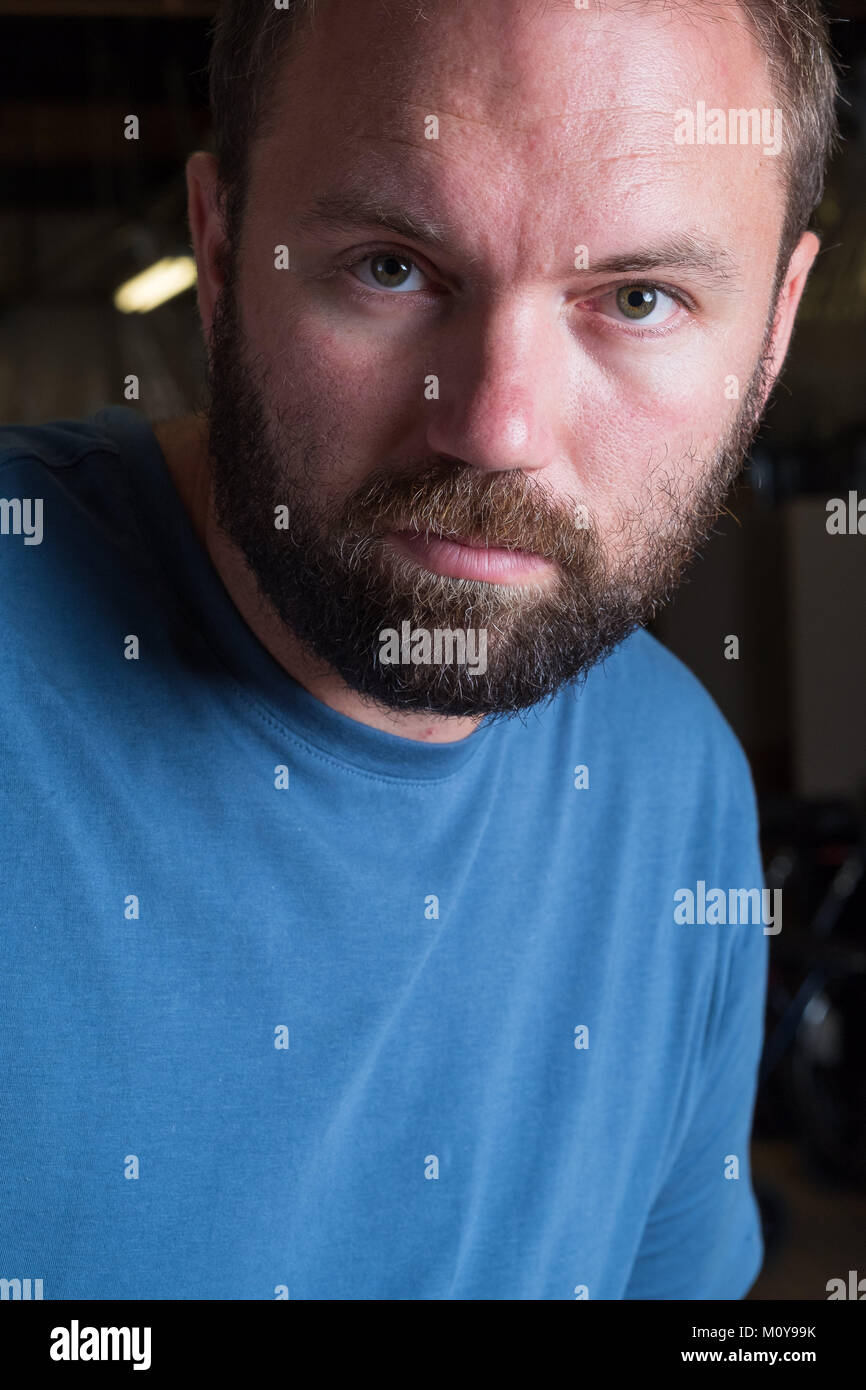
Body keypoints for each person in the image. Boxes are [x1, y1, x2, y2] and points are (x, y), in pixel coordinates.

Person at [0, 0, 838, 1299]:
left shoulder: (678, 787)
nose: (495, 426)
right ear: (219, 255)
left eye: (634, 297)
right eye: (391, 267)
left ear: (774, 328)